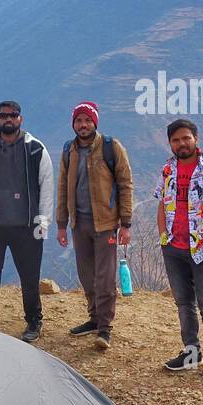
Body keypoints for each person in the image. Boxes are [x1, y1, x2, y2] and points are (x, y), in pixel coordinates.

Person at [0, 100, 54, 341]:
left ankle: (34, 322)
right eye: (4, 116)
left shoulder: (36, 149)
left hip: (27, 226)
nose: (8, 119)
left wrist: (43, 224)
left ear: (20, 119)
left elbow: (46, 187)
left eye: (13, 115)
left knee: (30, 277)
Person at [155, 118, 203, 379]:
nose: (181, 144)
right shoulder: (168, 169)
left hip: (202, 249)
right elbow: (161, 202)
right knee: (183, 304)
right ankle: (191, 354)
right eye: (176, 140)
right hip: (173, 248)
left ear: (196, 138)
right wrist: (163, 235)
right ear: (170, 144)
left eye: (185, 138)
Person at [54, 101, 134, 351]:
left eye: (87, 120)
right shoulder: (69, 150)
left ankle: (105, 328)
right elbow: (63, 187)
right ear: (73, 124)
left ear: (95, 122)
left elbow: (125, 184)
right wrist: (61, 223)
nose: (83, 125)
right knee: (86, 275)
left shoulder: (111, 147)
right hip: (80, 223)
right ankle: (93, 318)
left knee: (105, 277)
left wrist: (126, 223)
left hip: (106, 224)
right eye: (78, 120)